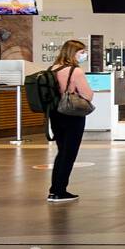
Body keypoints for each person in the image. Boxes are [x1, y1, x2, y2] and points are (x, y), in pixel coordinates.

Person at [45, 39, 93, 203]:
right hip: (72, 114)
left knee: (62, 151)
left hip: (55, 114)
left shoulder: (52, 69)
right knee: (69, 153)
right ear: (73, 53)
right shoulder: (75, 71)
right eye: (81, 52)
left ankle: (55, 189)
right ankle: (59, 191)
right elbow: (87, 94)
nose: (84, 55)